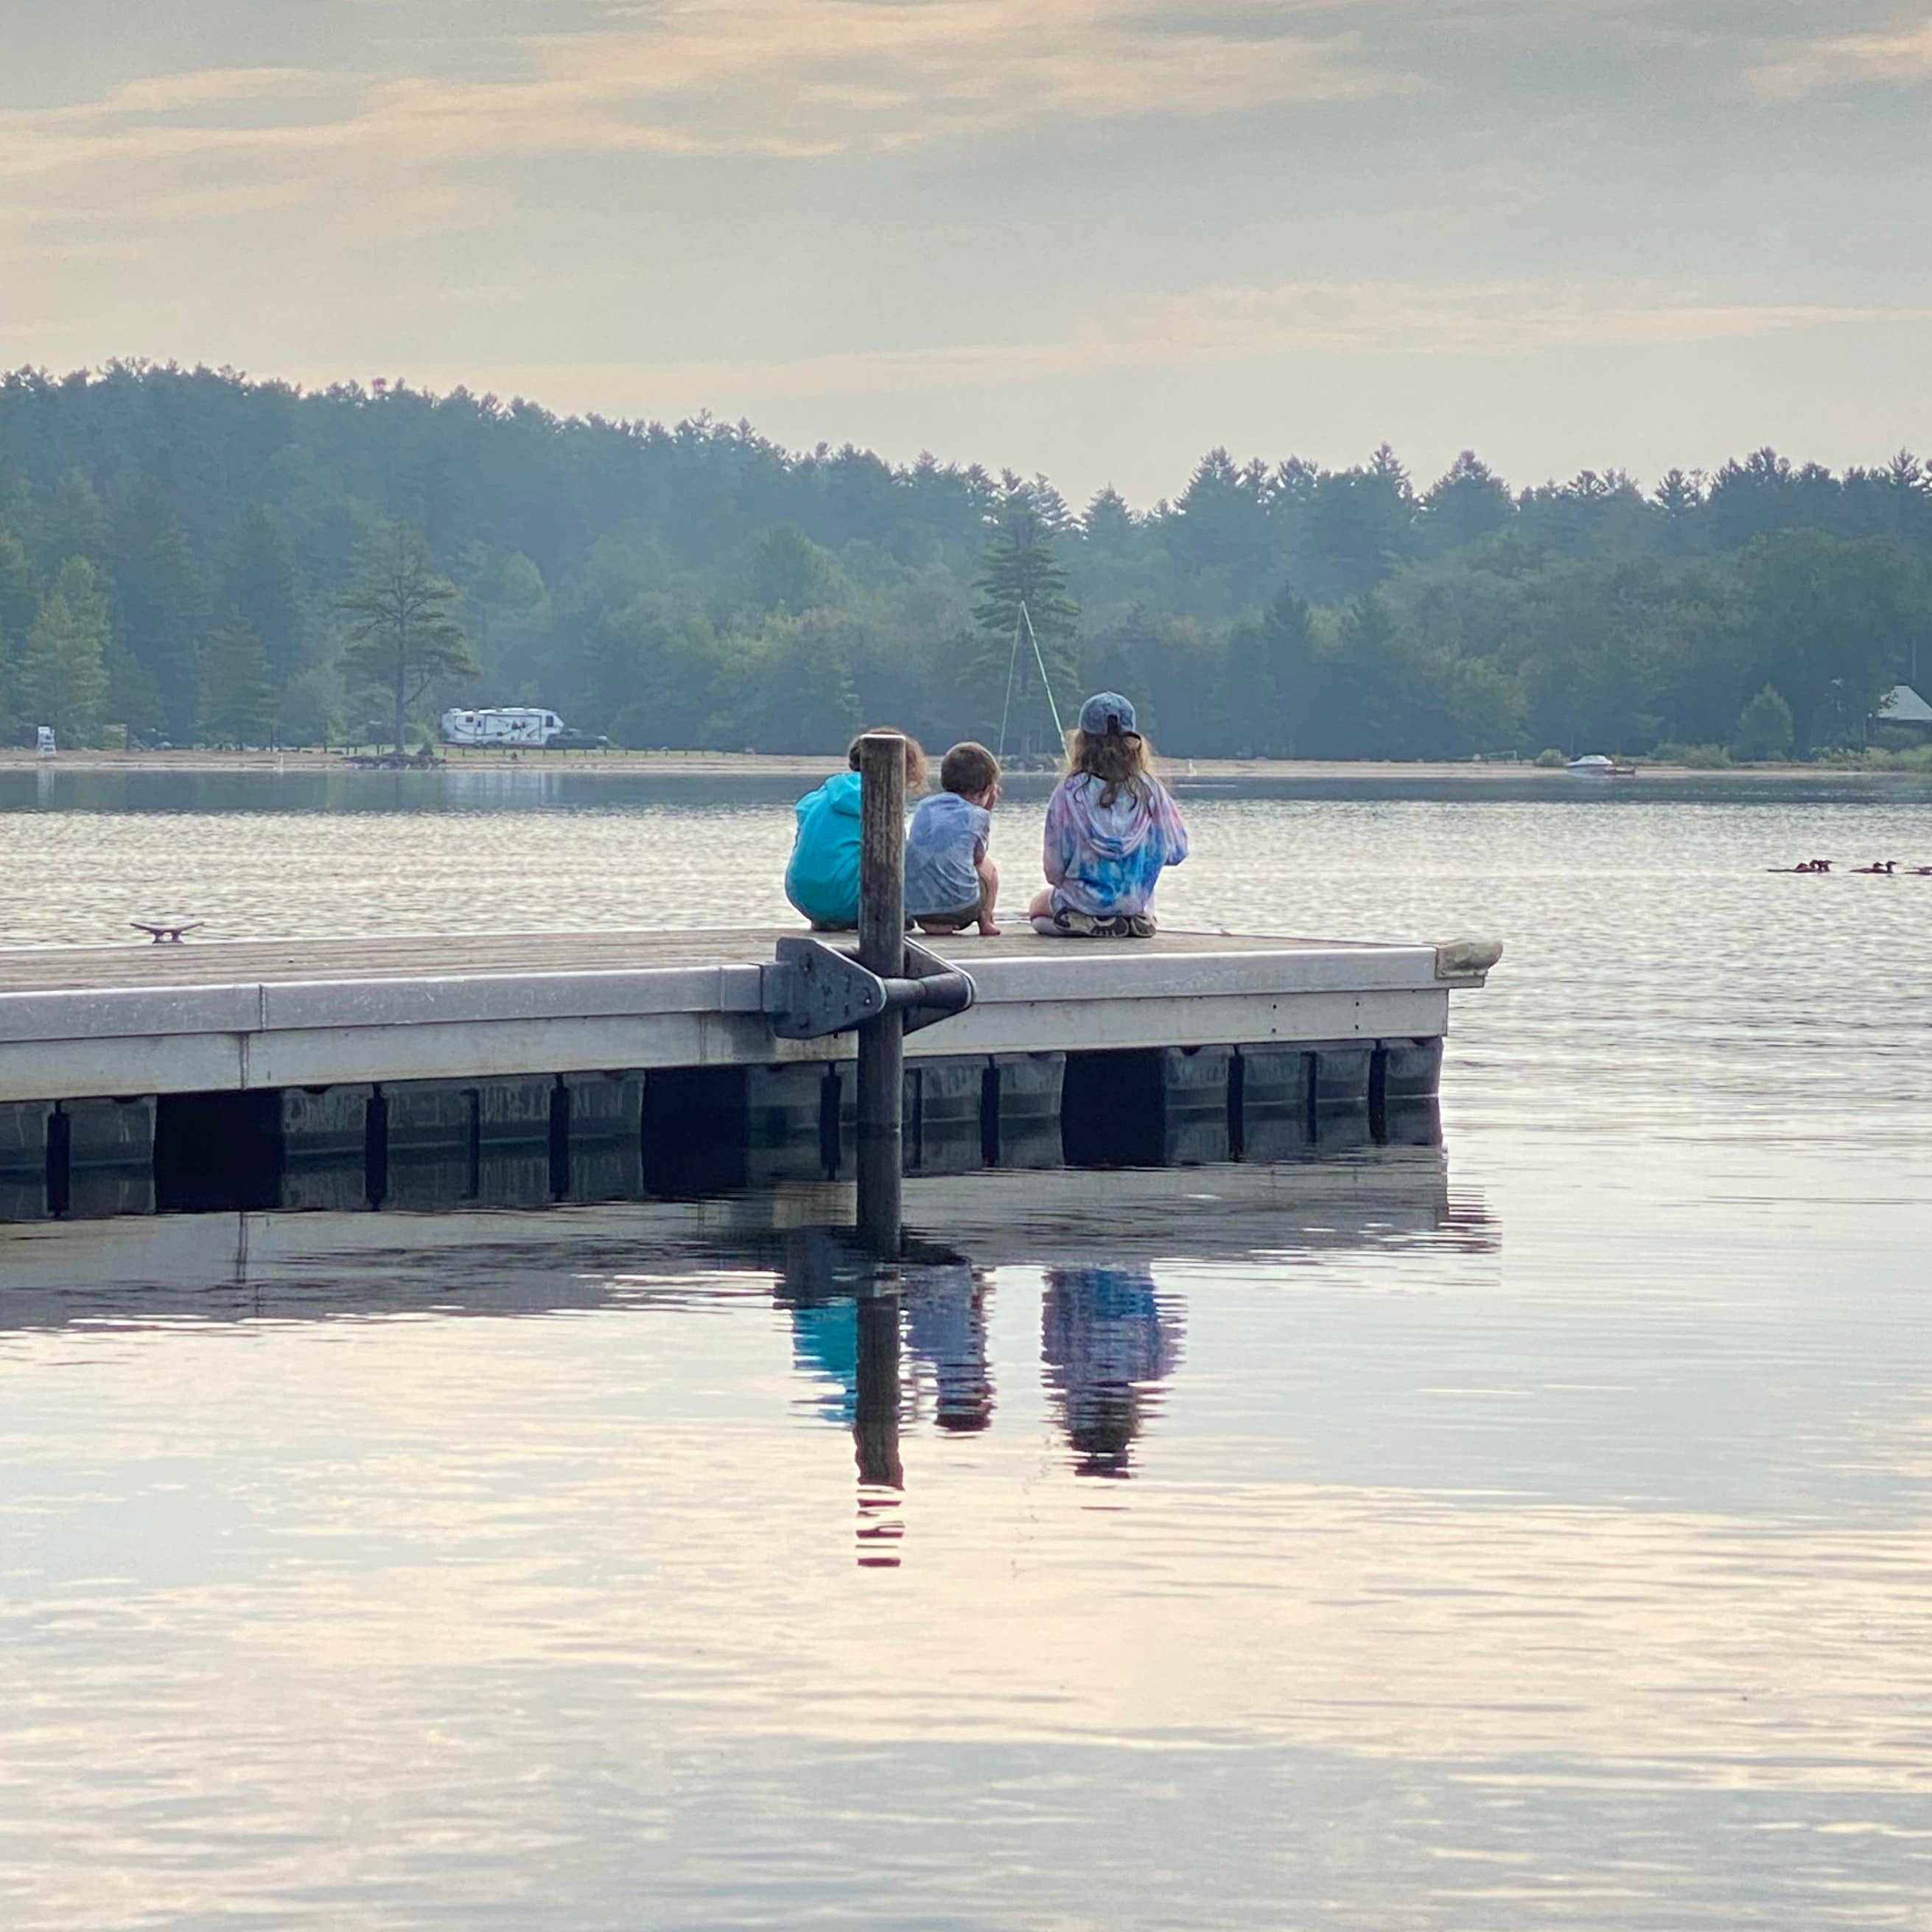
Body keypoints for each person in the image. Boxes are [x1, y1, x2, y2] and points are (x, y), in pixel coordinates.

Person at [1029, 693, 1187, 938]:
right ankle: (1136, 919)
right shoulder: (1152, 791)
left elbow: (1053, 870)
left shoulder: (1069, 792)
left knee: (1037, 911)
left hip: (1081, 902)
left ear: (1082, 741)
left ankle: (1088, 922)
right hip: (1133, 901)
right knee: (1137, 905)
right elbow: (1177, 852)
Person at [784, 729, 928, 929]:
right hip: (845, 899)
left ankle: (830, 914)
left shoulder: (823, 794)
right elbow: (896, 861)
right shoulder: (880, 797)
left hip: (802, 897)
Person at [903, 741, 1001, 936]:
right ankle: (986, 921)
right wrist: (987, 810)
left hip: (920, 911)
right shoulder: (978, 815)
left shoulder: (925, 807)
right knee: (990, 869)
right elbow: (978, 858)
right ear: (984, 791)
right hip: (961, 909)